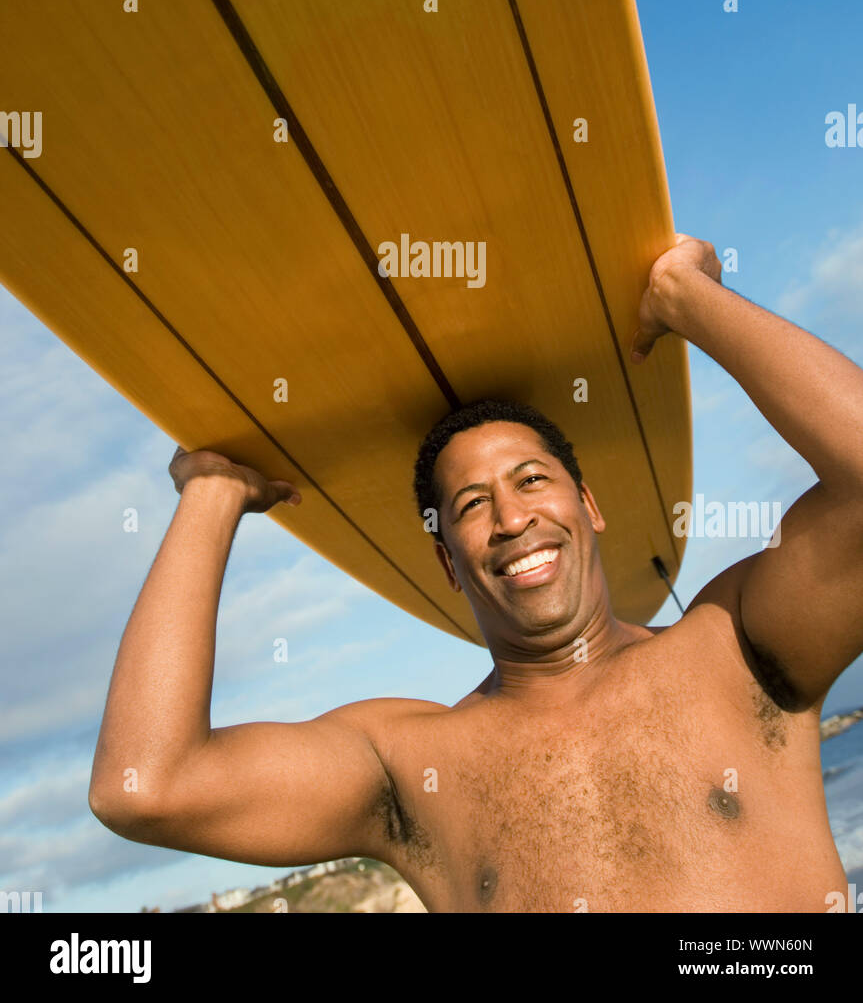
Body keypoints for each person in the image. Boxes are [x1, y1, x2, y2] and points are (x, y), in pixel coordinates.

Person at [88, 234, 863, 911]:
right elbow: (142, 786)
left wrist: (685, 298)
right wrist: (213, 495)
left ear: (587, 505)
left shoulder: (731, 650)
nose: (511, 518)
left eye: (531, 480)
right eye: (469, 505)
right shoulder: (409, 764)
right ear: (447, 562)